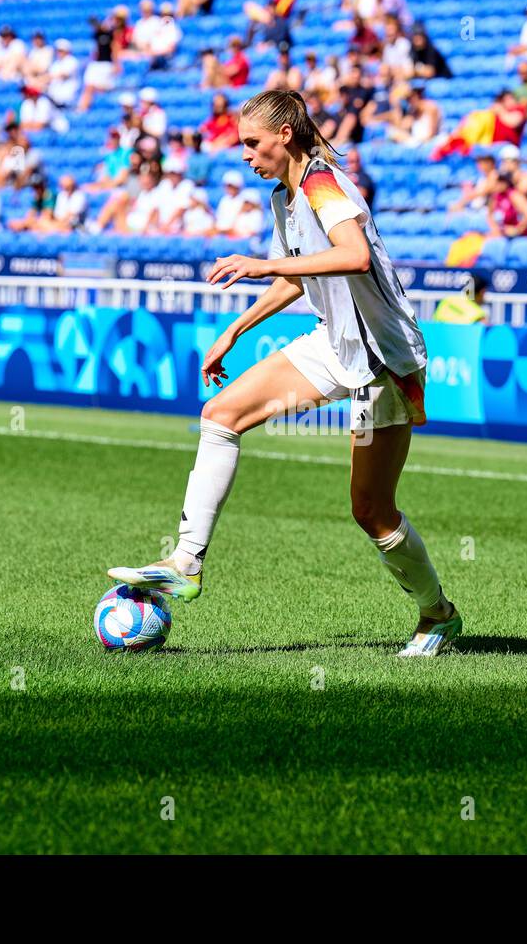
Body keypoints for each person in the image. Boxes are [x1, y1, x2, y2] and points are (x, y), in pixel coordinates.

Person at [106, 88, 462, 657]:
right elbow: (296, 278)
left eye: (252, 143)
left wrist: (263, 262)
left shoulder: (323, 184)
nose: (245, 155)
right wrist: (235, 330)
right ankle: (186, 563)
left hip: (383, 359)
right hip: (334, 341)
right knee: (220, 414)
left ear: (285, 136)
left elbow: (353, 256)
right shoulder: (285, 197)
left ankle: (437, 615)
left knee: (371, 510)